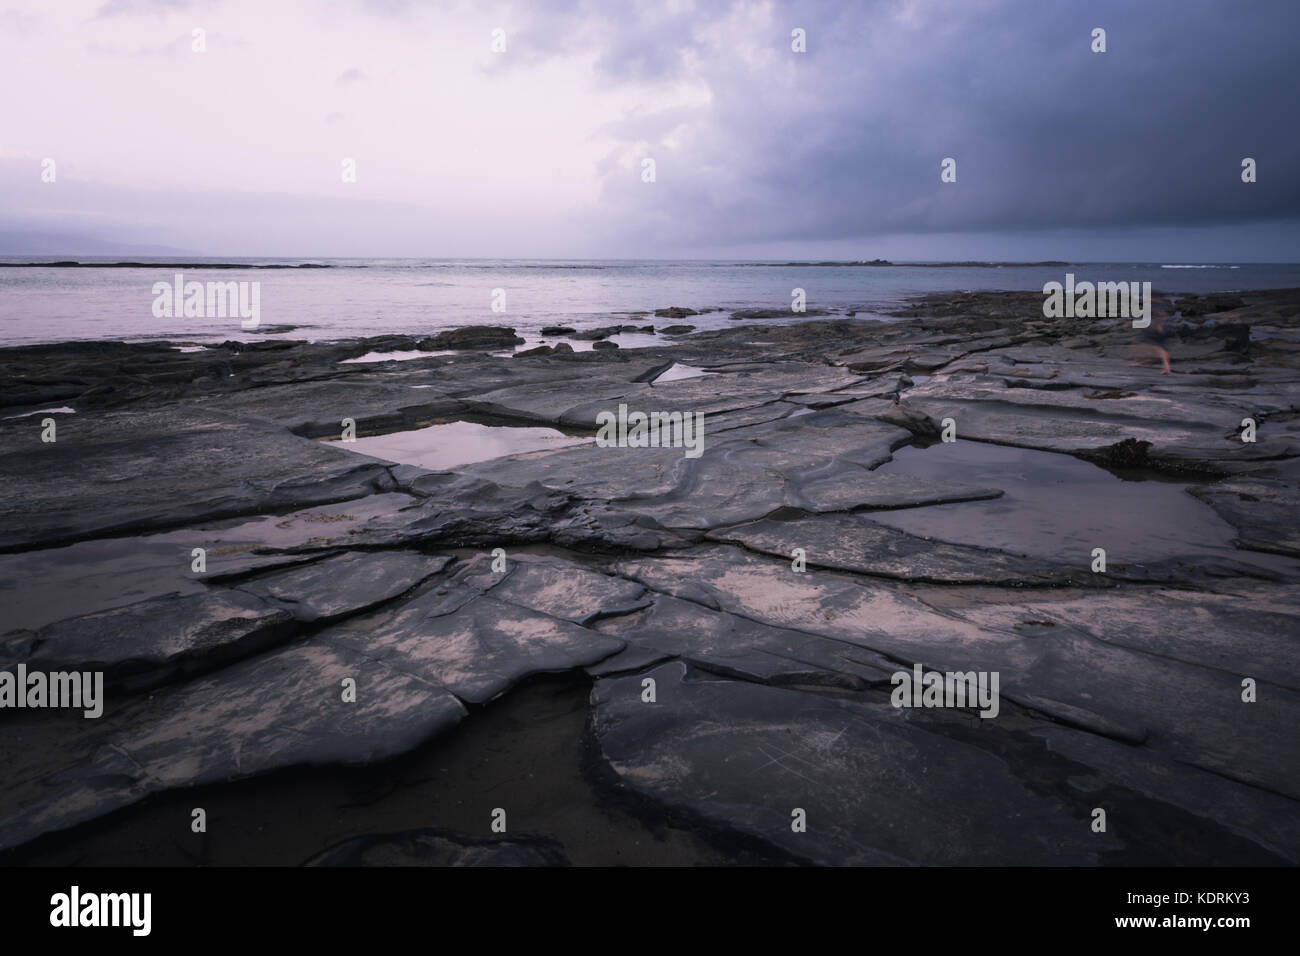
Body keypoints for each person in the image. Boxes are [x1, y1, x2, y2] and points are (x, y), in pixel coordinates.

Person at [1132, 294, 1173, 374]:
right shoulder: (1154, 305)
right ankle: (1142, 361)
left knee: (1160, 348)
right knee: (1140, 344)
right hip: (1152, 328)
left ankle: (1167, 368)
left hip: (1157, 329)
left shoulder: (1159, 306)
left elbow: (1162, 316)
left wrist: (1159, 326)